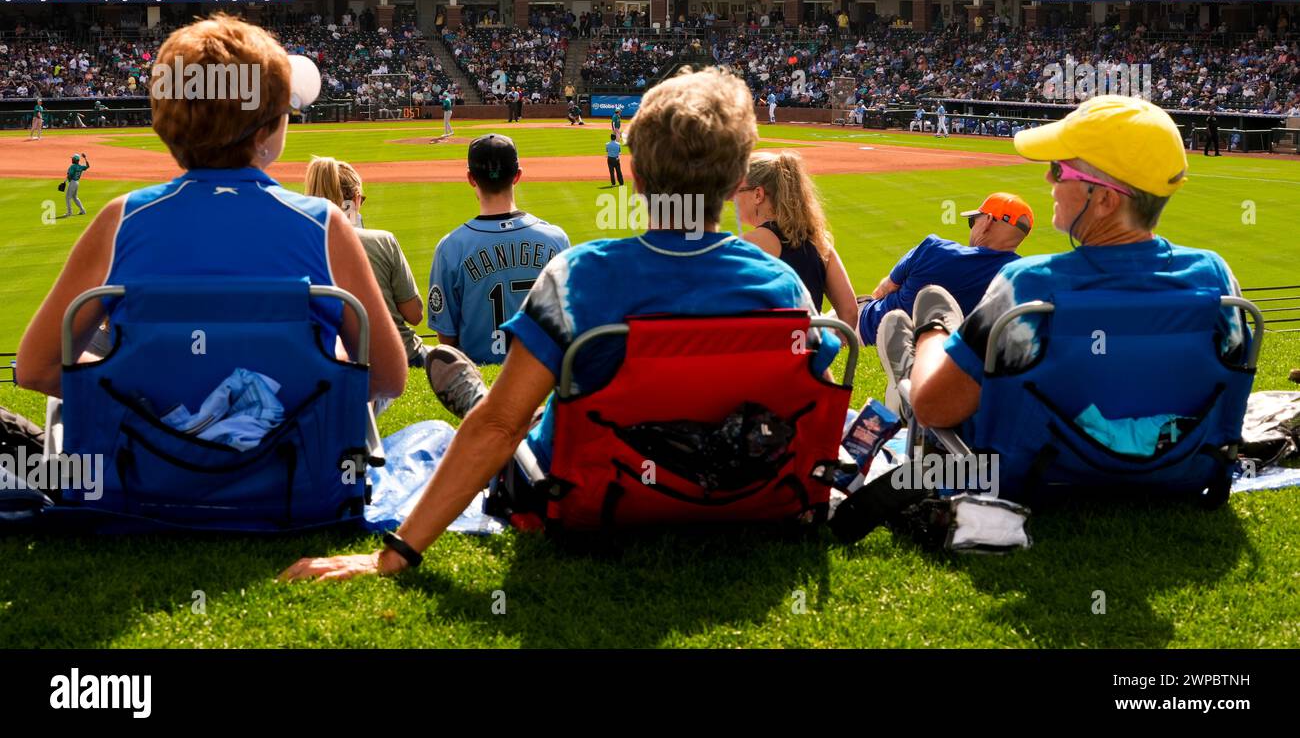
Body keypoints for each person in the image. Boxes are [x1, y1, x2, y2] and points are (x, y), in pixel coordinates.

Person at [281, 67, 842, 582]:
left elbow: (500, 427)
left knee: (500, 412)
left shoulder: (581, 275)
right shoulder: (782, 285)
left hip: (589, 501)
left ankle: (472, 391)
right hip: (740, 491)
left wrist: (394, 555)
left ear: (638, 176)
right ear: (739, 174)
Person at [15, 15, 408, 405]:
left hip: (150, 463)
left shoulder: (119, 222)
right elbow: (389, 377)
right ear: (264, 133)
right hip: (294, 461)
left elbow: (36, 367)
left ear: (166, 125)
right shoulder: (326, 227)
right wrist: (329, 362)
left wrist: (128, 385)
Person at [879, 96, 1246, 436]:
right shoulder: (1215, 276)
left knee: (928, 337)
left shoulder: (1026, 286)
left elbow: (935, 407)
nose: (1049, 179)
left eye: (1061, 170)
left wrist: (933, 332)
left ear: (1103, 199)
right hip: (1181, 468)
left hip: (1040, 475)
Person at [426, 134, 569, 366]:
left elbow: (446, 337)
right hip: (543, 372)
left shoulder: (451, 247)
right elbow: (566, 319)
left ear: (471, 178)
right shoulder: (556, 240)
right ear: (517, 175)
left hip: (479, 377)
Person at [858, 191, 1032, 355]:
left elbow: (883, 290)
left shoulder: (933, 249)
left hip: (870, 330)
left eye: (973, 221)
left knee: (848, 310)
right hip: (945, 351)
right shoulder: (1020, 277)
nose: (971, 227)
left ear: (987, 221)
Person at [304, 156, 427, 369]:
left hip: (324, 355)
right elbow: (414, 314)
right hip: (396, 355)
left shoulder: (300, 245)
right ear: (355, 198)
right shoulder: (382, 240)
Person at [734, 150, 858, 328]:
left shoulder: (751, 243)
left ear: (758, 195)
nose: (734, 199)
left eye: (738, 191)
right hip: (808, 351)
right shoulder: (820, 242)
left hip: (769, 350)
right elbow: (850, 312)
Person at [62, 153, 90, 217]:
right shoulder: (80, 166)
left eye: (73, 159)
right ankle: (82, 211)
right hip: (77, 182)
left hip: (72, 182)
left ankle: (69, 212)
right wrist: (85, 158)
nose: (72, 159)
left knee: (68, 198)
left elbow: (69, 175)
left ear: (75, 160)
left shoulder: (73, 166)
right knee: (75, 197)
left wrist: (64, 182)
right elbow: (88, 166)